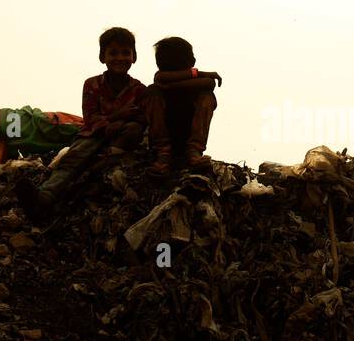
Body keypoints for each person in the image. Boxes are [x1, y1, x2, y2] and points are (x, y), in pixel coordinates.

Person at [16, 27, 146, 221]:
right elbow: (91, 119)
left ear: (134, 57)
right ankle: (44, 199)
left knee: (133, 129)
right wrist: (117, 117)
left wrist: (119, 122)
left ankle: (109, 160)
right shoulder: (92, 84)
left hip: (122, 138)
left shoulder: (140, 90)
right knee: (73, 159)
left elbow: (141, 118)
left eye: (126, 53)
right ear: (102, 57)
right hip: (94, 136)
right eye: (113, 53)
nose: (120, 58)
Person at [145, 36, 222, 176]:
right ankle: (163, 152)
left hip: (188, 139)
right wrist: (196, 74)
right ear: (189, 61)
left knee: (207, 96)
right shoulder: (159, 82)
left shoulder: (189, 84)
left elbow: (209, 84)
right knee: (152, 92)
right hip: (165, 140)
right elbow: (161, 78)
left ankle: (193, 150)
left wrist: (171, 86)